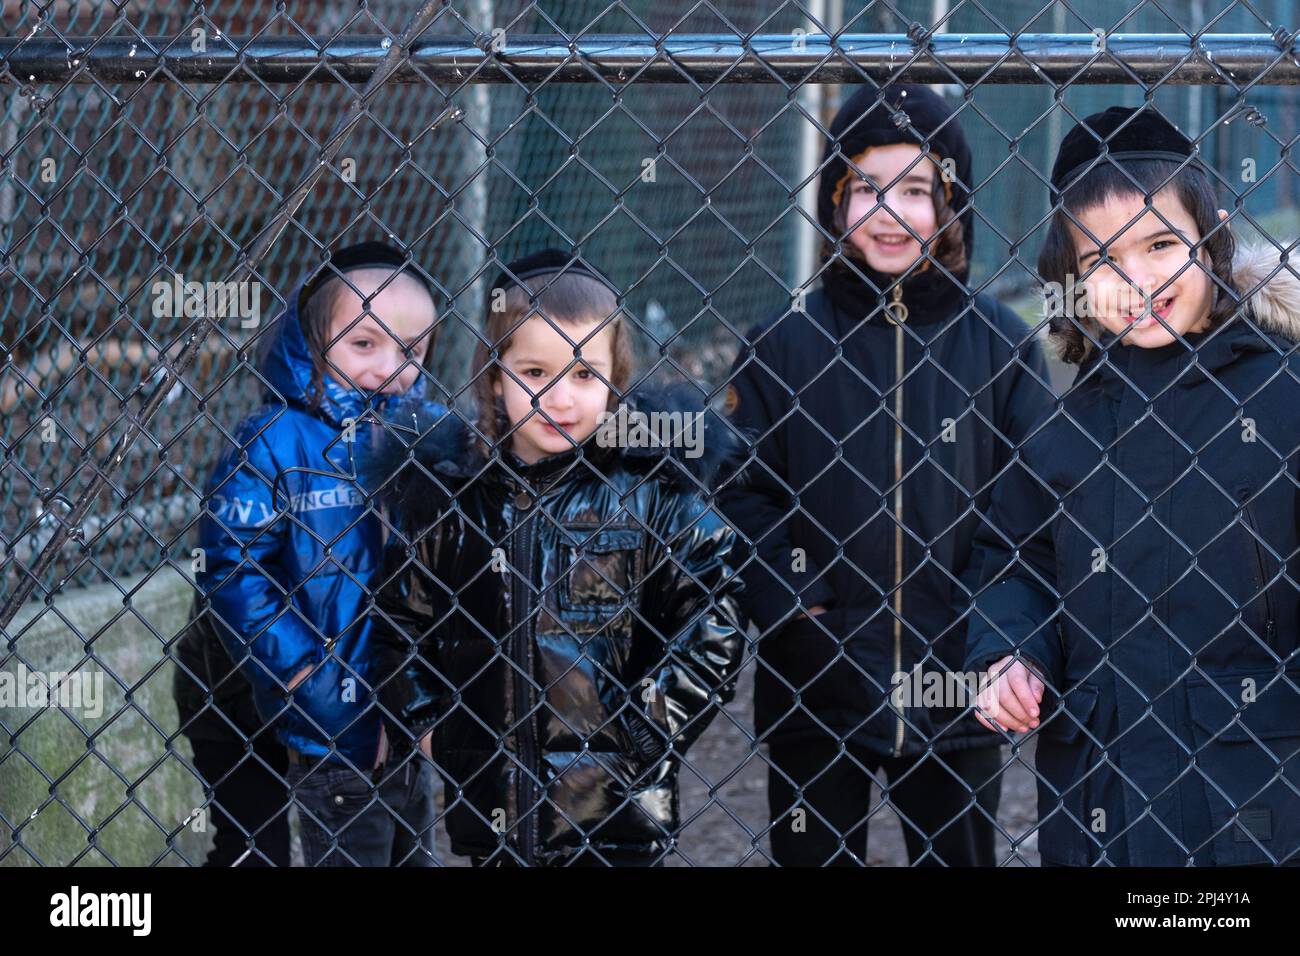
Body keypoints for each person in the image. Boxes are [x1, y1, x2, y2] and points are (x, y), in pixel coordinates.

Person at [720, 84, 1054, 866]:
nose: (889, 211)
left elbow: (1032, 505)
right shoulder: (784, 345)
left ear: (951, 203)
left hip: (958, 683)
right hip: (819, 679)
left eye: (915, 190)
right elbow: (739, 492)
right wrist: (799, 602)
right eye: (865, 187)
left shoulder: (1001, 349)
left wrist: (997, 635)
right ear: (836, 201)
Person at [966, 105, 1300, 866]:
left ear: (1210, 239)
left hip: (1258, 794)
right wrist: (1011, 650)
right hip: (1101, 797)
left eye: (1160, 245)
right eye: (1105, 262)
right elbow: (1015, 560)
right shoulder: (1066, 427)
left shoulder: (1286, 397)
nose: (1138, 280)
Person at [369, 249, 747, 866]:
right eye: (534, 373)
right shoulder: (451, 502)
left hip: (617, 810)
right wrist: (436, 730)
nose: (559, 398)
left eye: (583, 375)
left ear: (614, 382)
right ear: (495, 377)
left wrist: (646, 727)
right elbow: (397, 624)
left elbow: (713, 617)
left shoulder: (651, 493)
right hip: (493, 811)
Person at [194, 240, 444, 866]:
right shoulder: (275, 442)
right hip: (333, 726)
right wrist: (311, 682)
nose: (391, 367)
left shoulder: (429, 432)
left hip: (415, 716)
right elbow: (236, 573)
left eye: (411, 350)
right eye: (364, 344)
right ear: (310, 341)